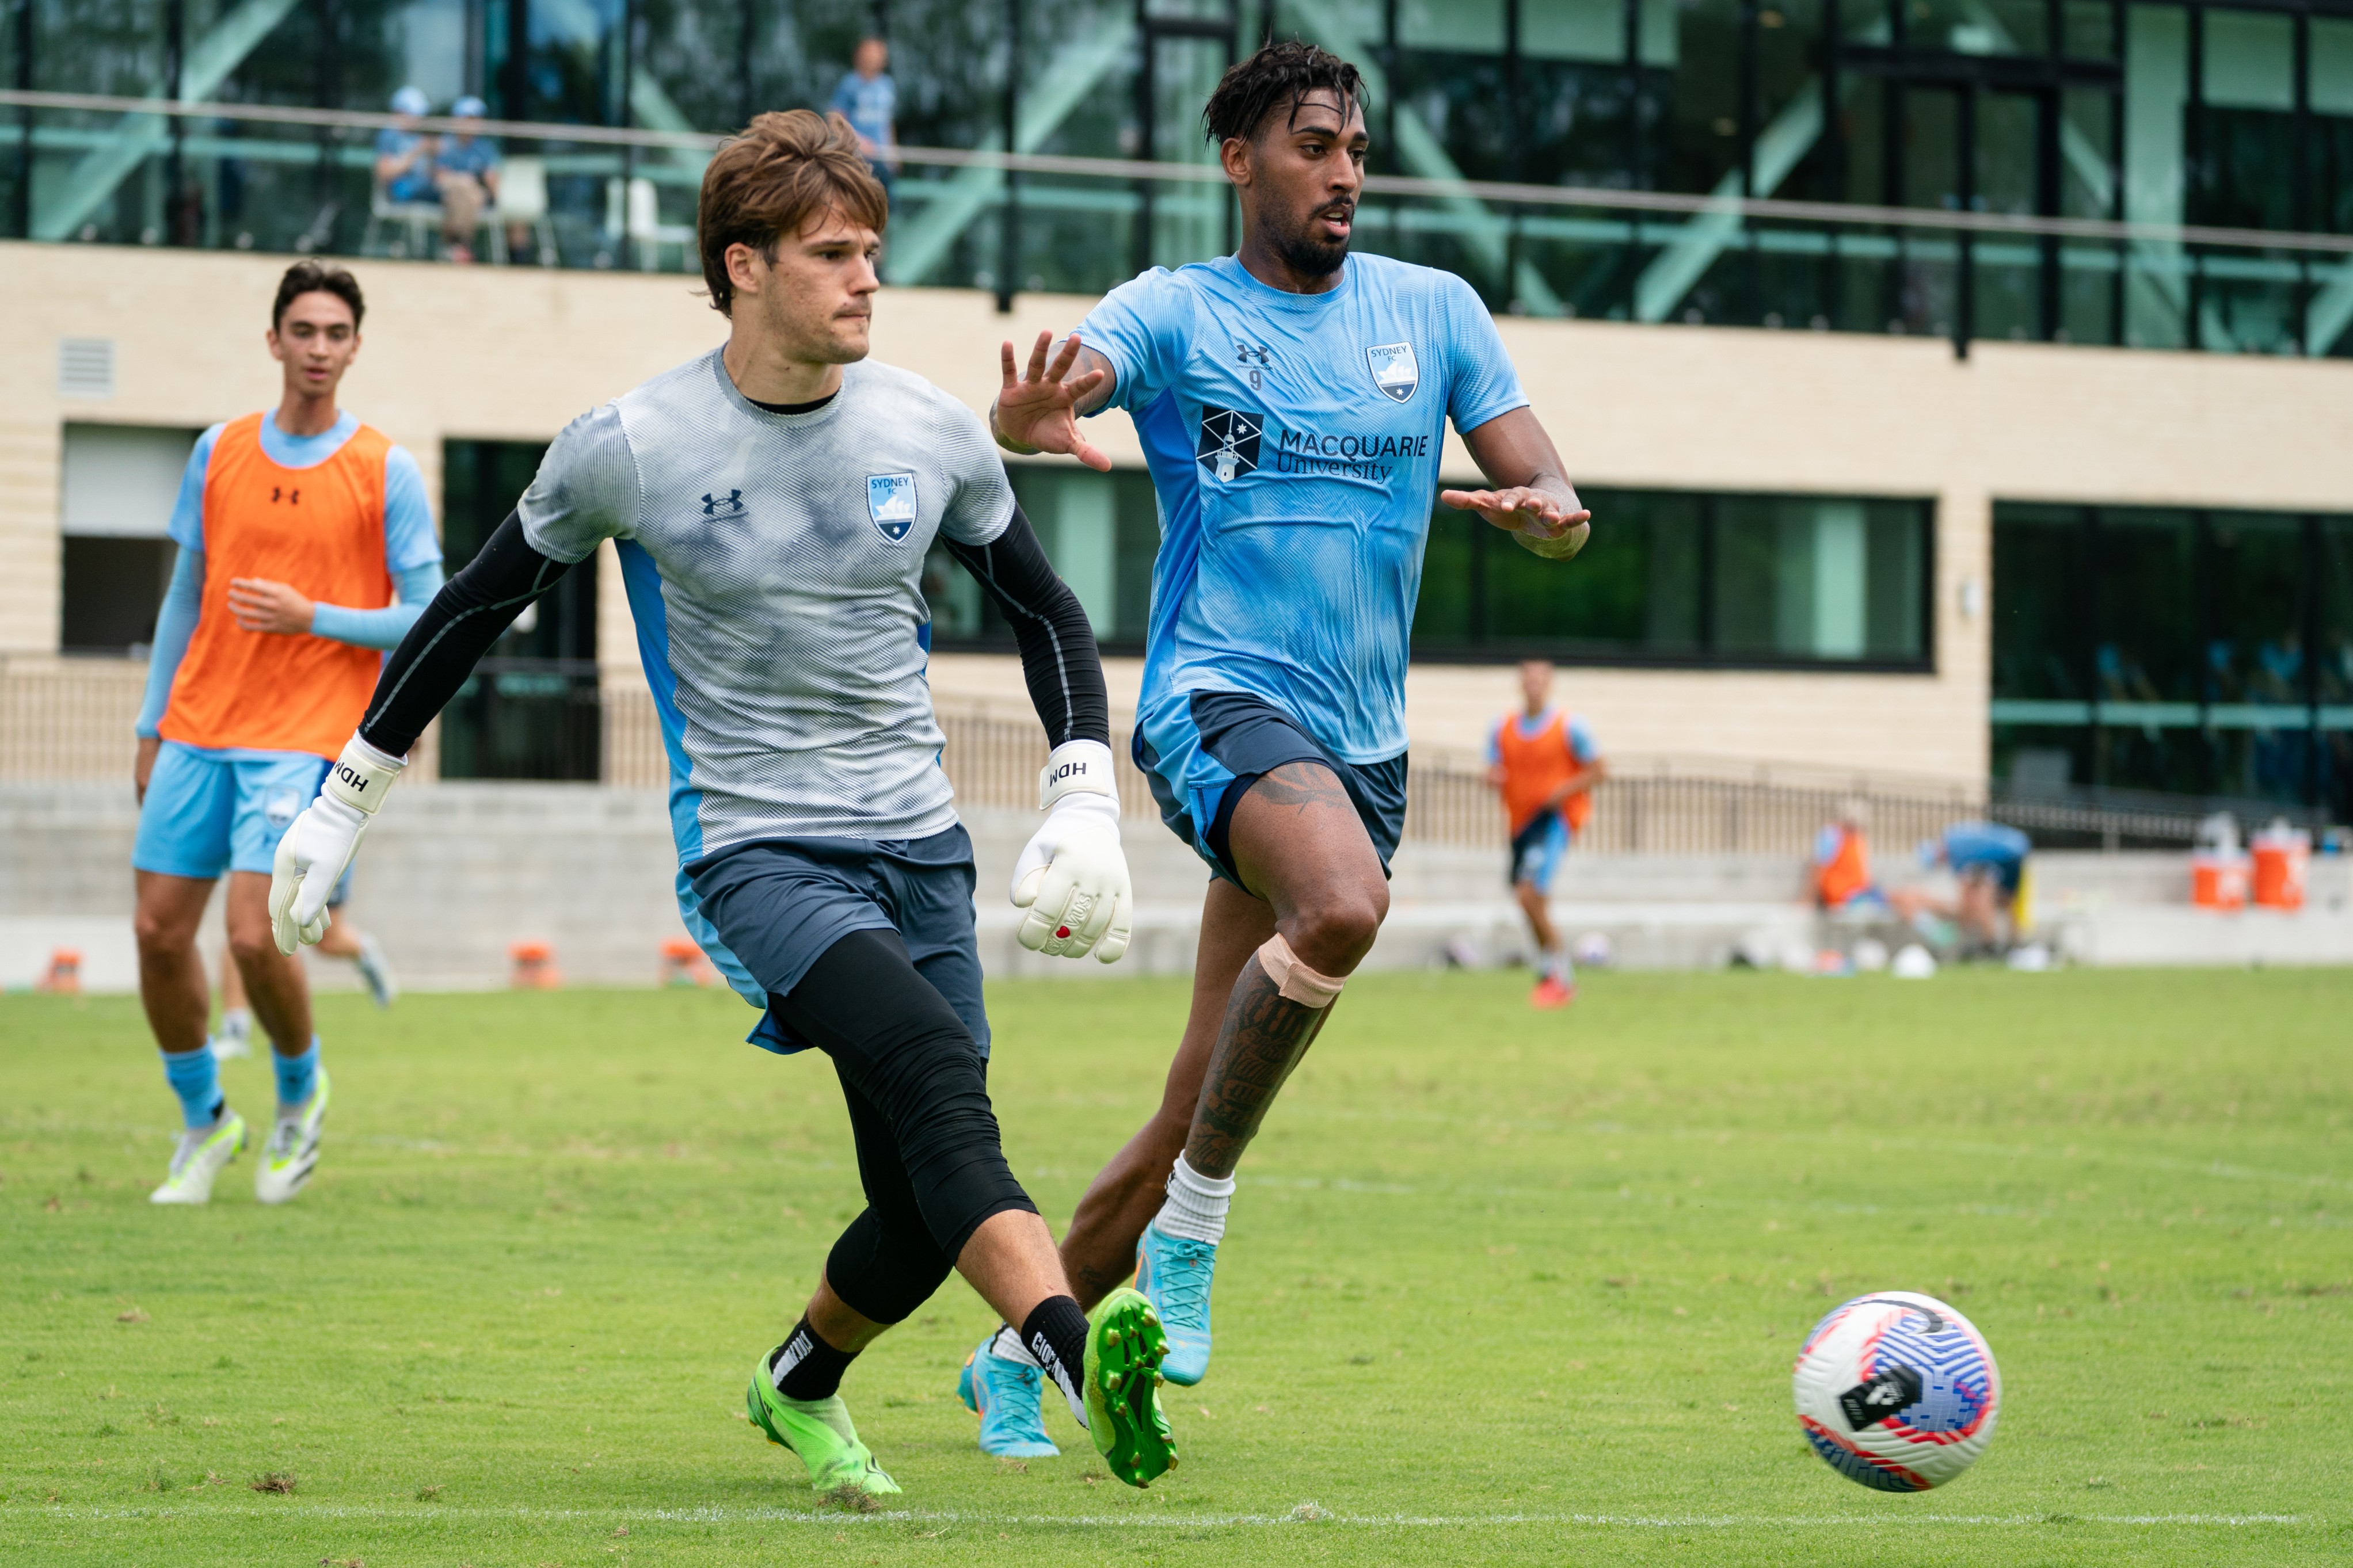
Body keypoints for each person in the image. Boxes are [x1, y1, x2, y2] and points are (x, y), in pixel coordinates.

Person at [267, 110, 1185, 1495]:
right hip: (757, 852)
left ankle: (798, 1381)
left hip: (920, 847)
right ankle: (1067, 1343)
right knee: (943, 1083)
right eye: (833, 254)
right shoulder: (629, 445)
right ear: (743, 265)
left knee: (924, 1198)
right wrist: (346, 798)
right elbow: (472, 608)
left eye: (873, 251)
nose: (868, 279)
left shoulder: (931, 429)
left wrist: (1081, 792)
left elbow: (1045, 609)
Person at [961, 40, 1589, 1449]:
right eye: (1316, 145)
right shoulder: (1180, 309)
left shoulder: (1434, 313)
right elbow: (1076, 374)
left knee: (1202, 1089)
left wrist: (1552, 513)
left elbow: (1551, 482)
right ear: (1239, 160)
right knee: (1347, 907)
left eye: (1358, 148)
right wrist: (1028, 416)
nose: (1347, 173)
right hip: (1214, 703)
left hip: (1361, 749)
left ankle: (1020, 1348)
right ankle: (1190, 1242)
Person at [133, 260, 444, 1206]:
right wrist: (151, 721)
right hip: (197, 725)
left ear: (355, 349)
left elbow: (431, 614)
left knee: (255, 936)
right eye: (302, 331)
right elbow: (186, 593)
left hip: (305, 733)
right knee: (154, 933)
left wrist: (316, 617)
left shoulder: (382, 468)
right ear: (273, 341)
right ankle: (204, 1121)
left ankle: (300, 1096)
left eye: (335, 334)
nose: (317, 348)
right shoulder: (217, 450)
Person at [1487, 659, 1604, 1009]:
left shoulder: (1569, 726)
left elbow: (1598, 770)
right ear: (1521, 685)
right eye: (1529, 681)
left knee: (1529, 895)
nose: (1534, 686)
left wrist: (1562, 791)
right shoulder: (1504, 727)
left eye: (1541, 681)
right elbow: (1495, 767)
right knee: (1531, 900)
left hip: (1552, 821)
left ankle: (1562, 977)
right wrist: (1493, 778)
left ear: (1549, 685)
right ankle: (1547, 969)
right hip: (1521, 823)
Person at [210, 868, 395, 1059]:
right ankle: (235, 1029)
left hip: (319, 850)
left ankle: (363, 950)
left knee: (328, 941)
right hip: (266, 850)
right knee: (245, 932)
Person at [1889, 821, 2032, 951]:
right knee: (2006, 898)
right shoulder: (1958, 841)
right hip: (2018, 849)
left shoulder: (1957, 852)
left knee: (1984, 892)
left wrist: (1962, 928)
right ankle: (2012, 944)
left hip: (2012, 854)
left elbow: (1966, 891)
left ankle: (1990, 944)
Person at [431, 96, 502, 265]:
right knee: (463, 191)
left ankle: (452, 246)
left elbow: (492, 180)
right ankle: (463, 246)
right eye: (467, 119)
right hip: (447, 196)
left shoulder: (485, 147)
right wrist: (464, 181)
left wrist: (498, 199)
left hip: (474, 197)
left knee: (471, 194)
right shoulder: (446, 144)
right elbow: (440, 178)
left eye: (476, 119)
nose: (472, 124)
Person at [828, 38, 898, 193]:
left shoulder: (887, 85)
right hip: (858, 158)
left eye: (878, 54)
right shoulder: (849, 84)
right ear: (860, 56)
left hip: (881, 158)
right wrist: (857, 141)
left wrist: (893, 152)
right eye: (870, 53)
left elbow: (886, 122)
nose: (874, 58)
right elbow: (835, 121)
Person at [1811, 798, 1883, 914]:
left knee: (1898, 899)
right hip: (1843, 897)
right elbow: (1818, 867)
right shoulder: (1832, 835)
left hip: (1861, 893)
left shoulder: (1858, 839)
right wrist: (1809, 900)